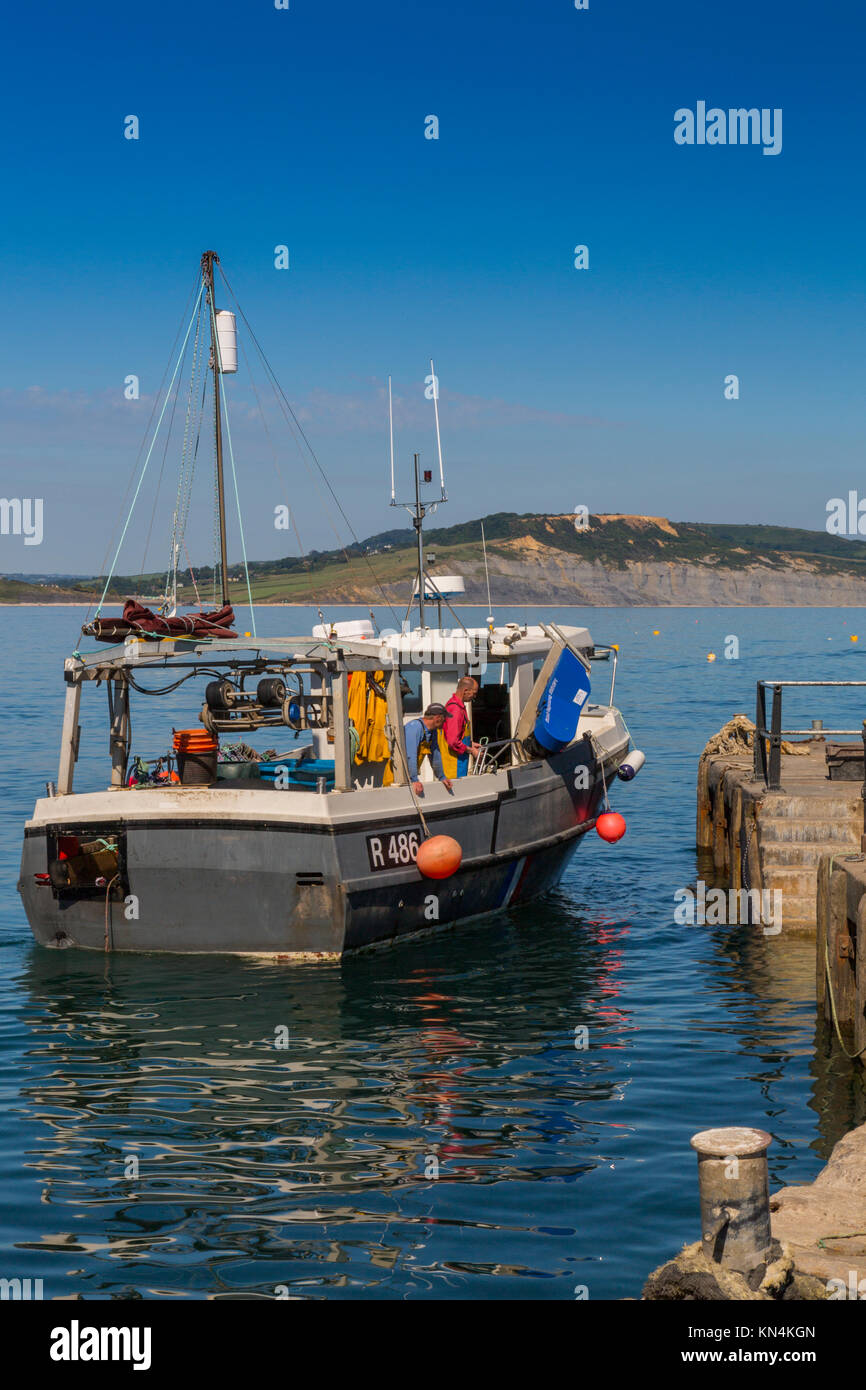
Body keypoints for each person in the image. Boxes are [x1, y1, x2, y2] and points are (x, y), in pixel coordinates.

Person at [404, 704, 453, 796]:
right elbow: (410, 755)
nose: (445, 722)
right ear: (438, 718)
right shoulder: (414, 728)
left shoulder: (433, 731)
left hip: (409, 777)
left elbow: (435, 755)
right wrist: (414, 780)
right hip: (396, 777)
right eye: (444, 719)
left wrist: (442, 777)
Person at [441, 676, 482, 779]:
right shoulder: (455, 710)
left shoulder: (460, 707)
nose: (474, 696)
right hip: (454, 768)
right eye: (474, 693)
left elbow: (458, 735)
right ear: (465, 691)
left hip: (460, 765)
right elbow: (453, 741)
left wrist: (471, 744)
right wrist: (472, 751)